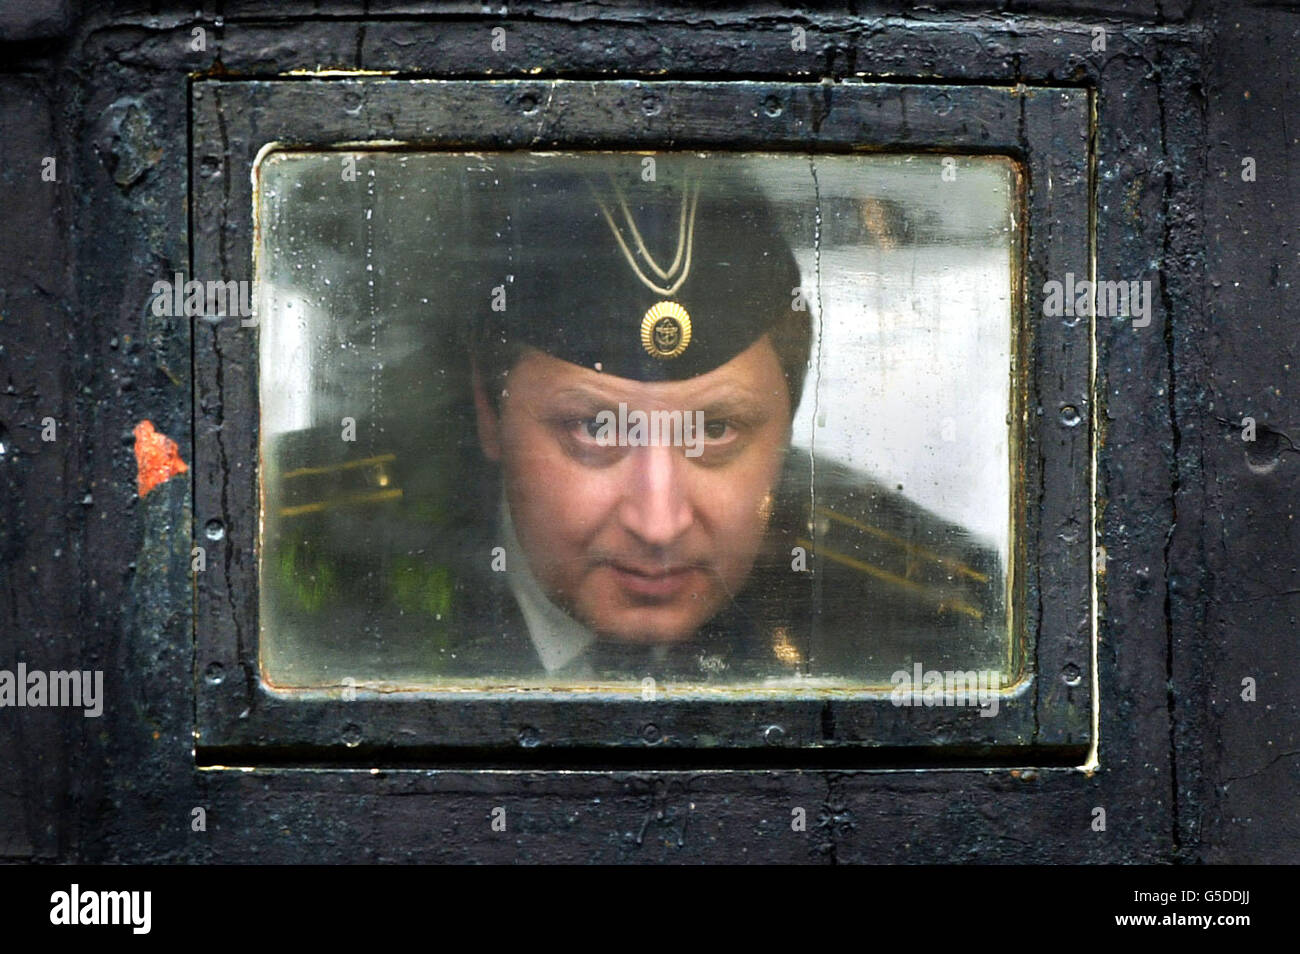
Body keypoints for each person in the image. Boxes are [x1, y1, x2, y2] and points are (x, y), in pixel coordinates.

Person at [264, 157, 1004, 686]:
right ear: (489, 409)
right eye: (598, 429)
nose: (659, 523)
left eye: (715, 431)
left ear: (788, 417)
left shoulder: (925, 617)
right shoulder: (295, 574)